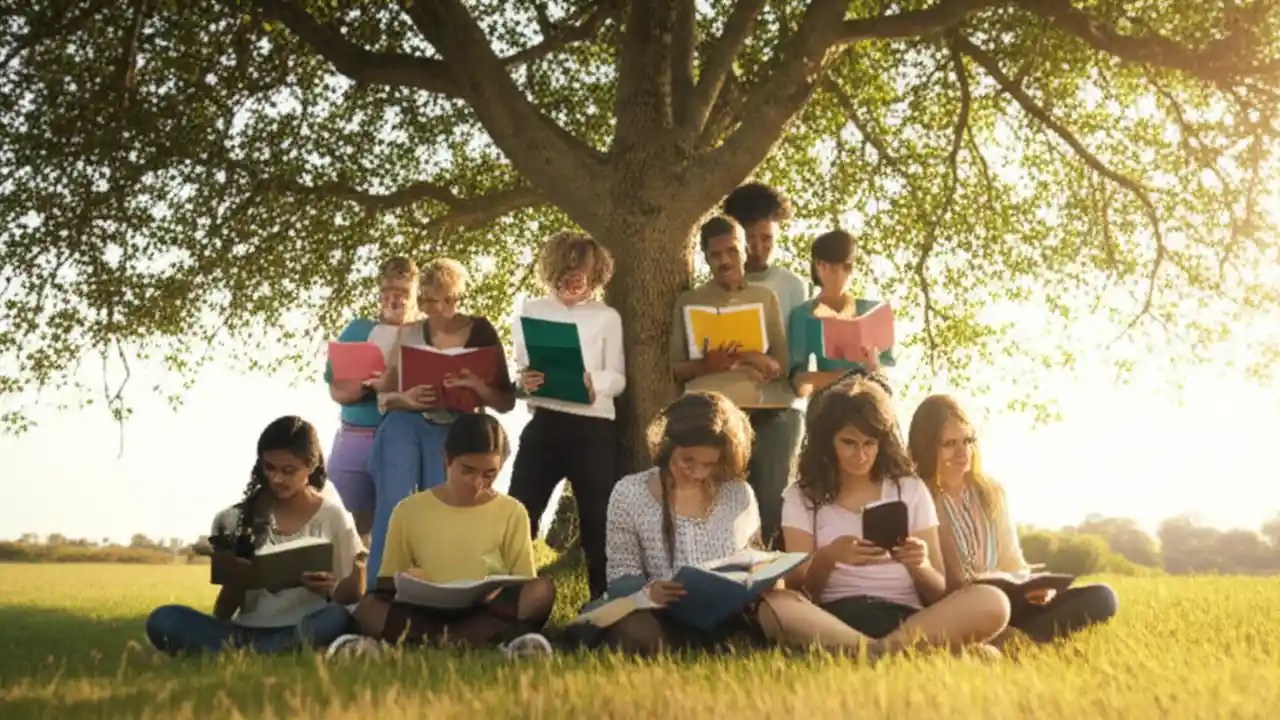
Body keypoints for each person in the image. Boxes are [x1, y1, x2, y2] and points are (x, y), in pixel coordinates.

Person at [600, 392, 874, 656]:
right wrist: (648, 593)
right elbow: (621, 576)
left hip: (730, 615)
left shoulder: (738, 494)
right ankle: (685, 649)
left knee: (782, 606)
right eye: (688, 460)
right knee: (634, 629)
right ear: (668, 444)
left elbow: (753, 560)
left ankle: (867, 647)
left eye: (709, 464)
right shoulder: (629, 493)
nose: (698, 472)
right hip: (658, 615)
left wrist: (765, 580)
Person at [781, 378, 1011, 655]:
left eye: (870, 443)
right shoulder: (802, 495)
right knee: (775, 604)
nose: (861, 454)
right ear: (827, 442)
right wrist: (829, 556)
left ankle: (876, 652)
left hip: (908, 619)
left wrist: (920, 565)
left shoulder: (909, 489)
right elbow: (800, 590)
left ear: (883, 441)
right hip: (833, 618)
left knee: (993, 600)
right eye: (849, 443)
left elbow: (938, 594)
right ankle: (906, 654)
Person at [146, 416, 365, 656]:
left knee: (336, 618)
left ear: (311, 467)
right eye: (269, 468)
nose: (277, 479)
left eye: (288, 470)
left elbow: (352, 595)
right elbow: (223, 612)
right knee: (164, 618)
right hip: (245, 630)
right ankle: (262, 653)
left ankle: (244, 654)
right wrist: (238, 581)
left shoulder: (332, 516)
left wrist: (329, 588)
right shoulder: (235, 518)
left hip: (303, 626)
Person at [908, 395, 1119, 643]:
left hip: (1011, 602)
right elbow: (934, 581)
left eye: (968, 440)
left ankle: (1018, 639)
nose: (962, 452)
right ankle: (1012, 639)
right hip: (963, 608)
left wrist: (1035, 588)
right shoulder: (920, 497)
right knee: (983, 607)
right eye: (949, 443)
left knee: (1103, 597)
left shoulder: (992, 492)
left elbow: (1012, 562)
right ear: (927, 447)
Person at [365, 258, 516, 590]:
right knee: (394, 507)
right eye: (426, 300)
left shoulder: (481, 331)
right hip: (405, 423)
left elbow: (506, 401)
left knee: (449, 510)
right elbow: (385, 395)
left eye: (441, 300)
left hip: (456, 430)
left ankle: (450, 593)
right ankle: (379, 595)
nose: (432, 309)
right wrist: (408, 397)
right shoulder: (410, 332)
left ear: (455, 298)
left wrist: (477, 387)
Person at [353, 413, 555, 654]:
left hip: (485, 611)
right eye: (467, 471)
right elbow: (387, 585)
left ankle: (438, 642)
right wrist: (411, 581)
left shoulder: (512, 512)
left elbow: (524, 583)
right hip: (425, 611)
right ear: (446, 459)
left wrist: (493, 593)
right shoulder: (409, 510)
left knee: (541, 591)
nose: (477, 483)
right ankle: (472, 642)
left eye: (489, 474)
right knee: (368, 609)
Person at [510, 231, 625, 601]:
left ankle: (602, 603)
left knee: (597, 519)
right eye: (568, 268)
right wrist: (524, 382)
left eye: (584, 271)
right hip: (545, 424)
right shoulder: (532, 311)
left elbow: (619, 379)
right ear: (554, 270)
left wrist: (595, 381)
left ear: (596, 274)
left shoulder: (606, 317)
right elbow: (521, 375)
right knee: (519, 512)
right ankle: (509, 597)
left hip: (593, 429)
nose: (575, 278)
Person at [669, 216, 795, 548]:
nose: (724, 261)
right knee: (715, 499)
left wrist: (756, 357)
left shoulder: (765, 297)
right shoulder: (689, 301)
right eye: (715, 255)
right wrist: (706, 364)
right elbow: (677, 369)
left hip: (761, 408)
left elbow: (780, 364)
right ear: (705, 258)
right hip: (710, 413)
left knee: (767, 500)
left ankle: (764, 575)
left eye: (731, 251)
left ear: (745, 250)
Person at [325, 256, 422, 537]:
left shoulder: (425, 333)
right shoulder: (357, 330)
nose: (394, 301)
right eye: (387, 294)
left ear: (415, 295)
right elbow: (337, 390)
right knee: (341, 525)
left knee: (395, 528)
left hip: (403, 439)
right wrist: (370, 386)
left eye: (402, 294)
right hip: (354, 438)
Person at [788, 231, 895, 398]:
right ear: (818, 266)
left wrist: (872, 369)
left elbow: (883, 380)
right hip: (825, 410)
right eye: (831, 267)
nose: (840, 274)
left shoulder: (871, 311)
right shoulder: (803, 315)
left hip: (869, 406)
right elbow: (800, 384)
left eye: (847, 267)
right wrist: (855, 377)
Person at [724, 182, 808, 319]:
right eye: (749, 238)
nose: (757, 248)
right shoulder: (717, 288)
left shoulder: (792, 286)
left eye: (766, 238)